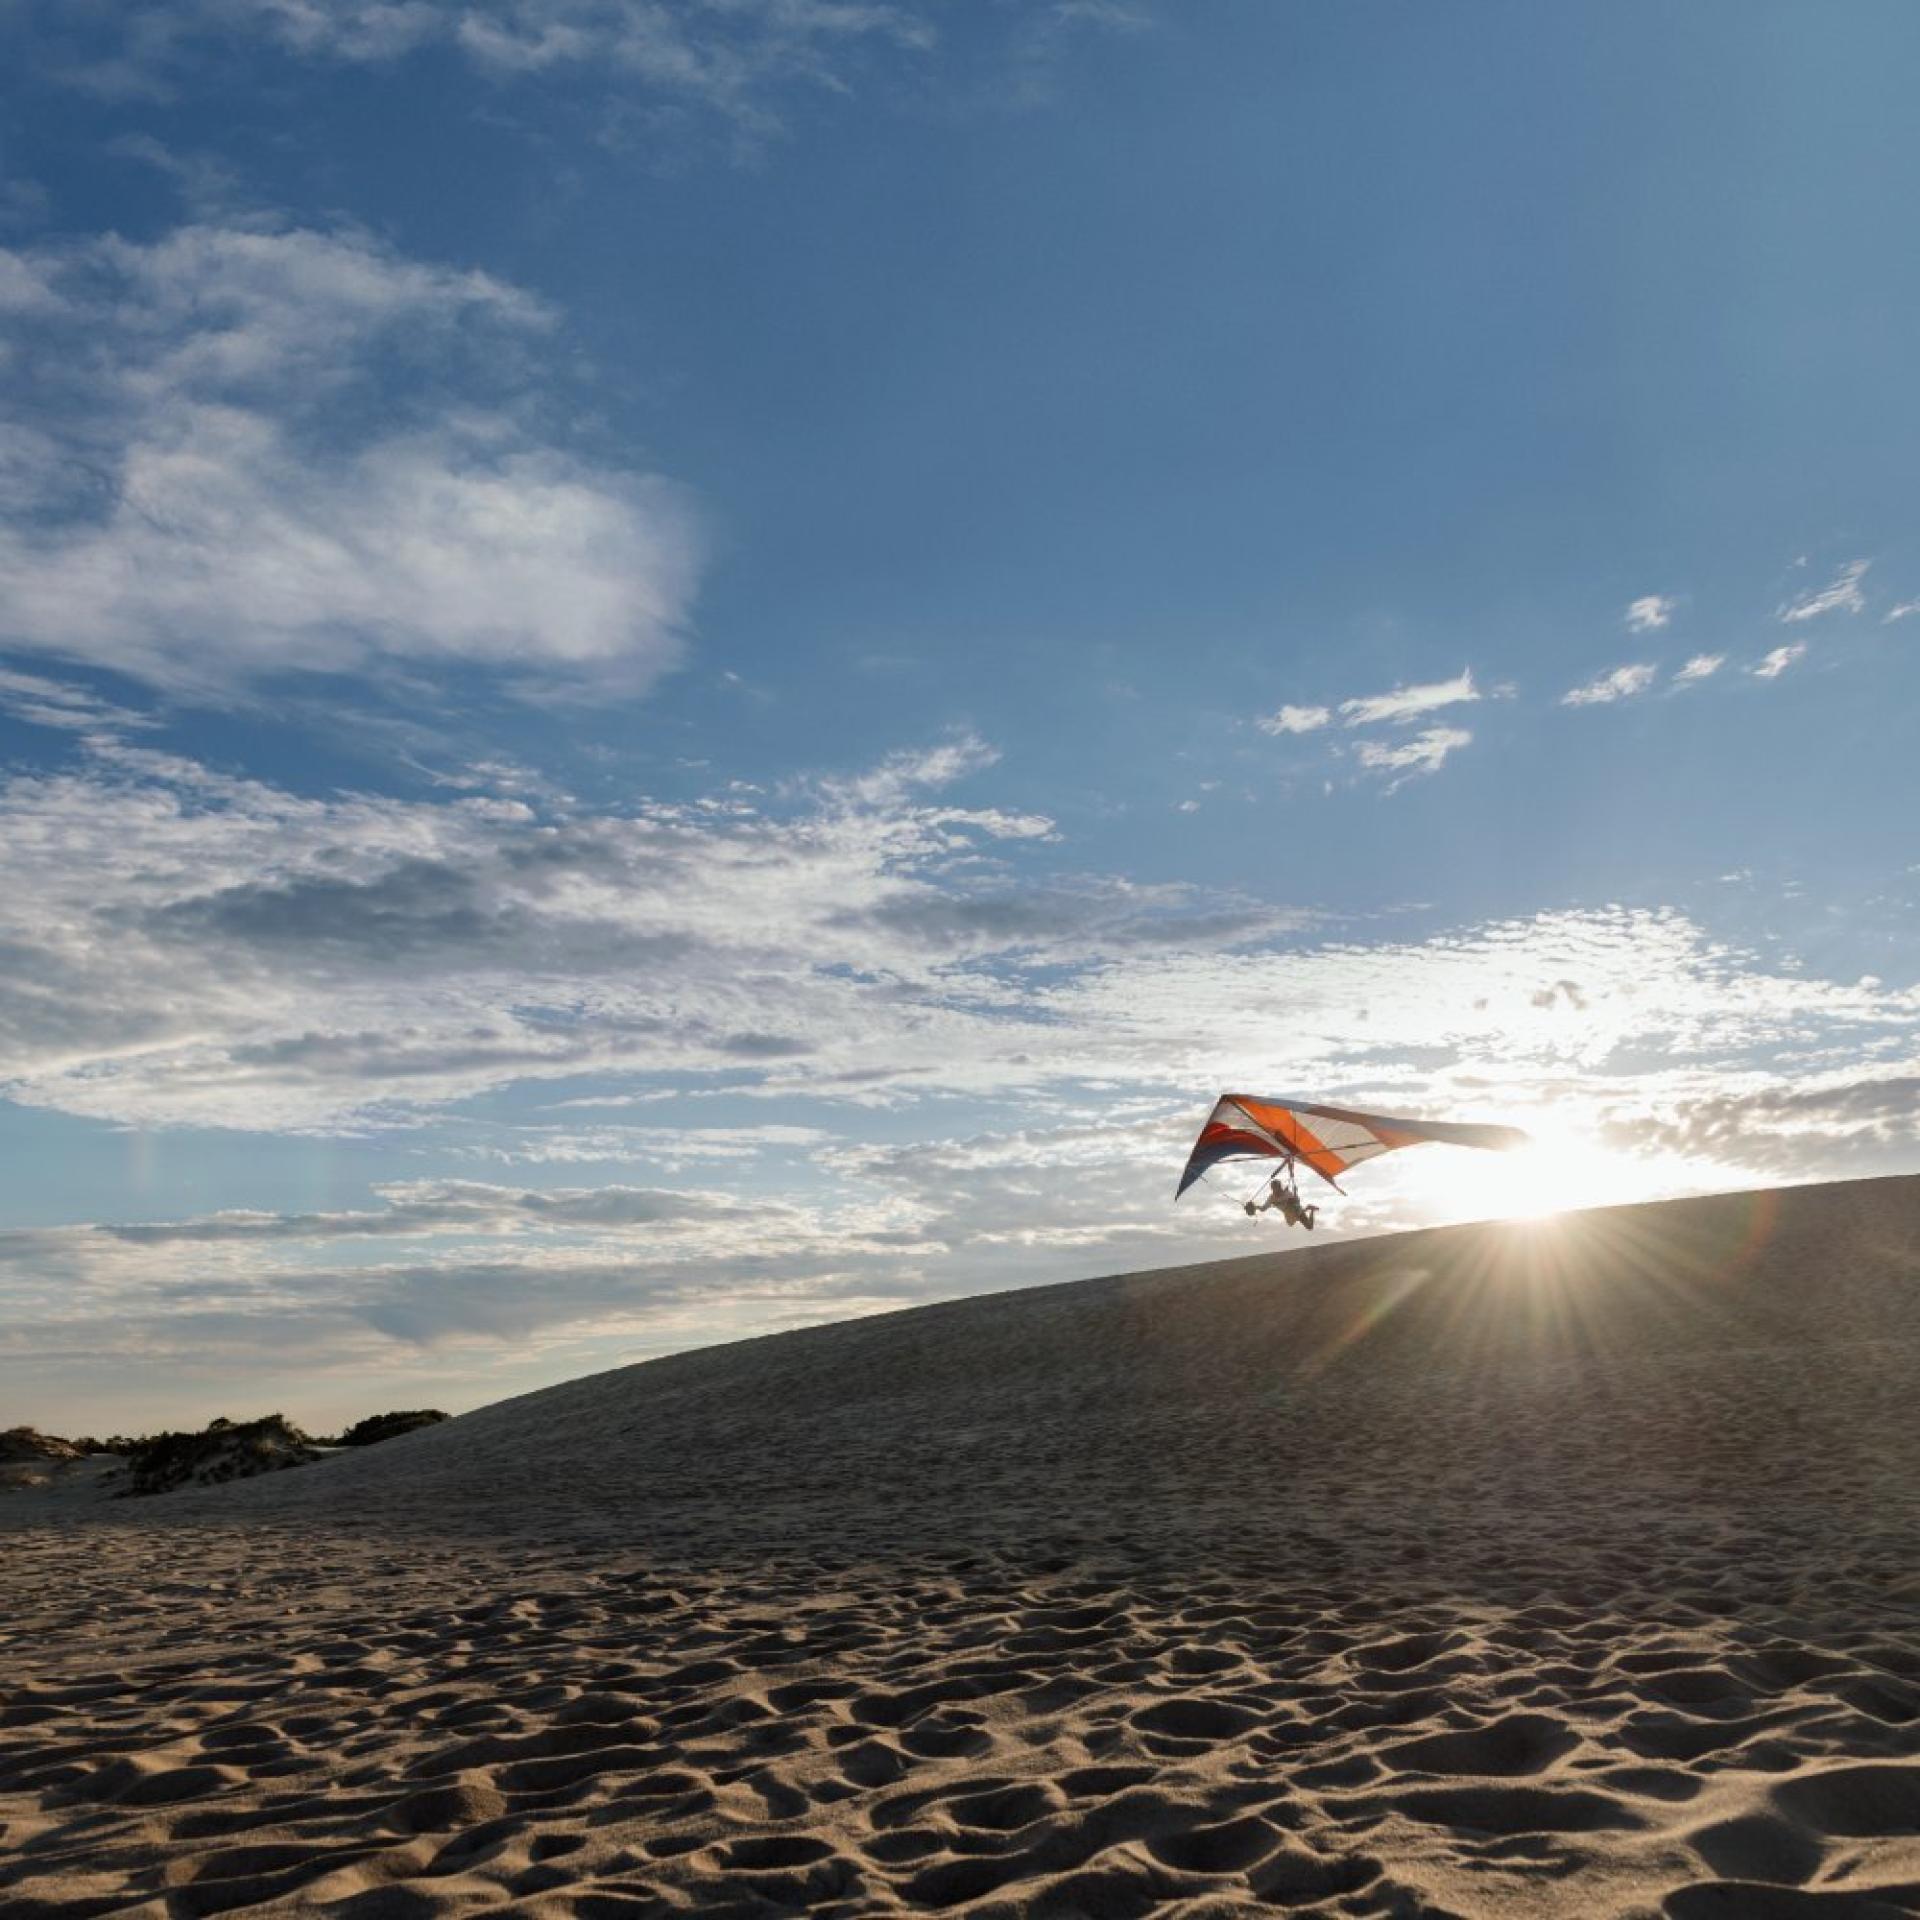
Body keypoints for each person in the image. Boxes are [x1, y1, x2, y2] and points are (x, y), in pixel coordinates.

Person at [1243, 1172, 1317, 1229]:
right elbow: (1263, 1208)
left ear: (1280, 1187)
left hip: (1295, 1208)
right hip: (1290, 1213)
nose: (1275, 1191)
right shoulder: (1271, 1198)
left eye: (1277, 1188)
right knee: (1301, 1225)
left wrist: (1295, 1193)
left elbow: (1296, 1201)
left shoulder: (1286, 1193)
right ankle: (1311, 1209)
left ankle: (1308, 1208)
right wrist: (1255, 1207)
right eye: (1273, 1189)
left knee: (1307, 1225)